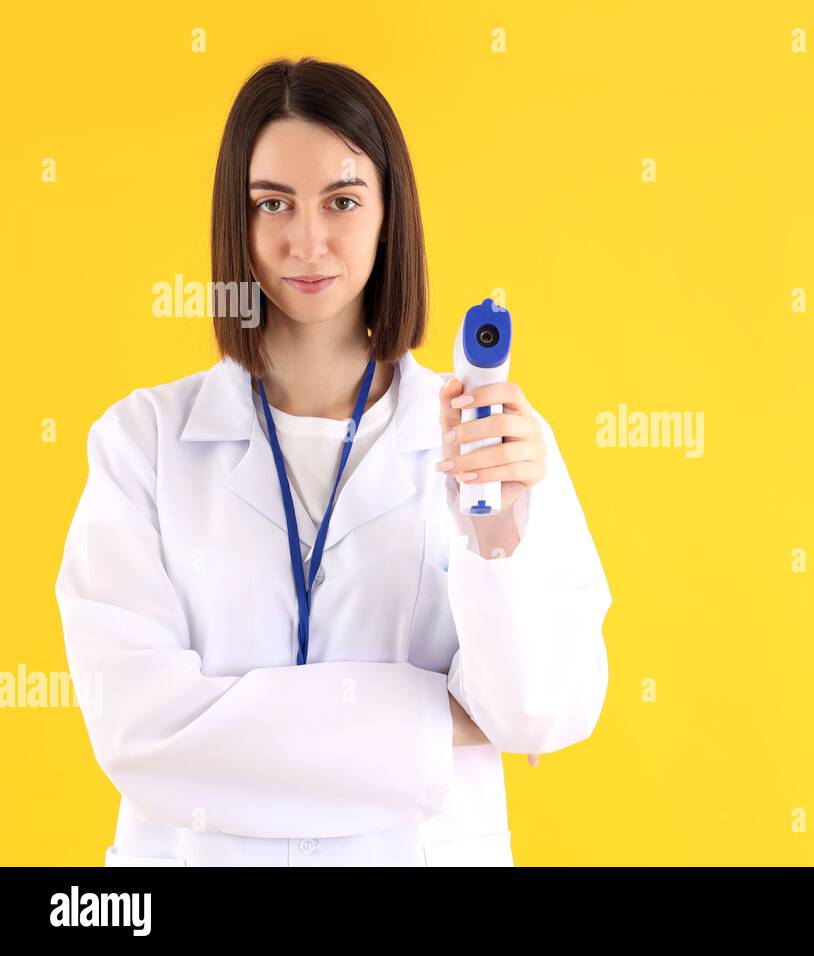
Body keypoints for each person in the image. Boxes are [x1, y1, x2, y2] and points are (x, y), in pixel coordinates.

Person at [53, 57, 612, 867]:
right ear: (234, 222)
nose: (305, 241)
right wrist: (439, 718)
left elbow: (536, 713)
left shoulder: (496, 446)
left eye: (342, 201)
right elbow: (141, 731)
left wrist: (499, 537)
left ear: (390, 215)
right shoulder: (141, 443)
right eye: (271, 203)